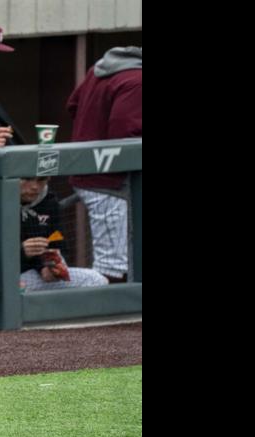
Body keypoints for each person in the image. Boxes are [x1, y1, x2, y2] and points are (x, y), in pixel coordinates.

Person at [66, 46, 141, 283]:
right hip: (109, 182)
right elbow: (125, 132)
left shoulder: (99, 69)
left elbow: (72, 106)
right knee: (113, 265)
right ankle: (107, 305)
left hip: (91, 171)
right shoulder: (136, 80)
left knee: (123, 258)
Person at [16, 177, 106, 290]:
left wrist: (50, 268)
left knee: (95, 279)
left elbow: (59, 245)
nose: (35, 186)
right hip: (1, 280)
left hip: (31, 276)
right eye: (27, 179)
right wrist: (21, 252)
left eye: (41, 180)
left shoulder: (48, 202)